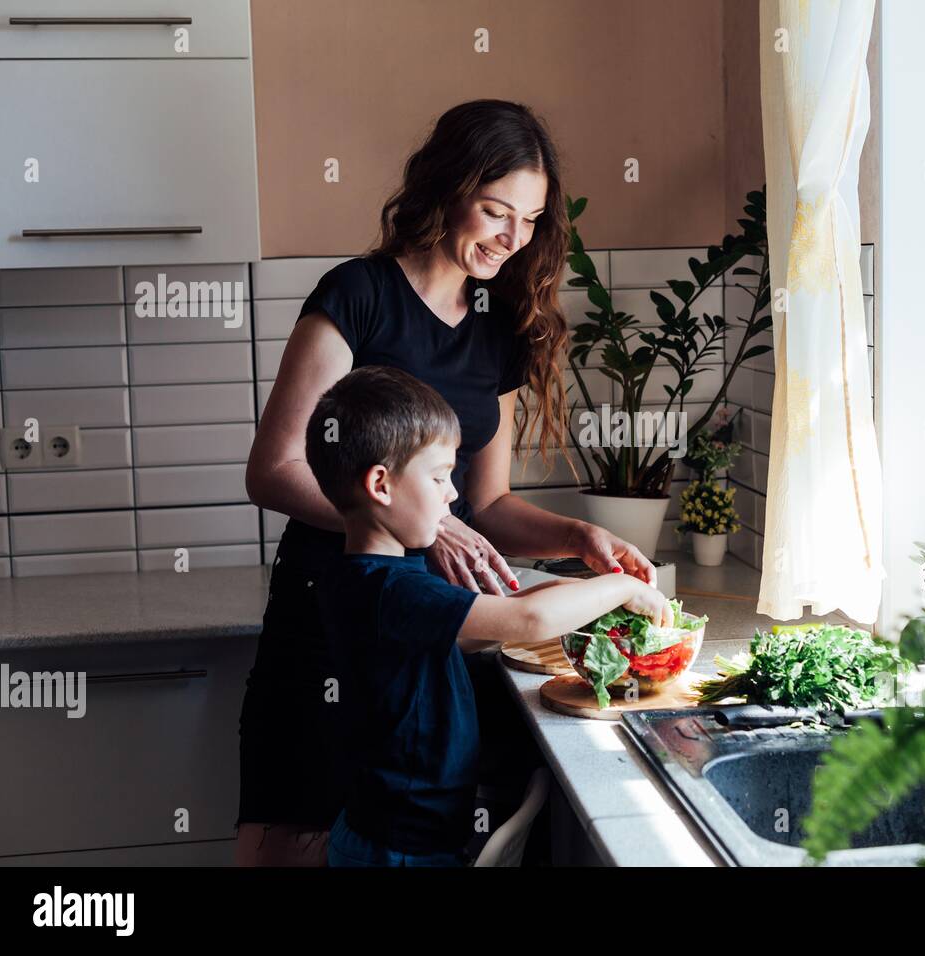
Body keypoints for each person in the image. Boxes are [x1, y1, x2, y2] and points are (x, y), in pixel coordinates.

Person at [237, 99, 659, 865]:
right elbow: (274, 470)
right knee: (288, 844)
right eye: (496, 211)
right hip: (327, 623)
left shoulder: (496, 326)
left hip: (426, 645)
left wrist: (577, 534)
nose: (512, 238)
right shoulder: (358, 295)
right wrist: (429, 528)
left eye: (530, 221)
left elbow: (487, 505)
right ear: (446, 189)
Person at [303, 366, 670, 866]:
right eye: (438, 477)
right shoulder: (393, 588)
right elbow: (529, 622)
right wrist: (620, 586)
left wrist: (585, 590)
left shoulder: (368, 576)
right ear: (381, 485)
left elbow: (482, 624)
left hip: (395, 831)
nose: (453, 494)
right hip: (401, 849)